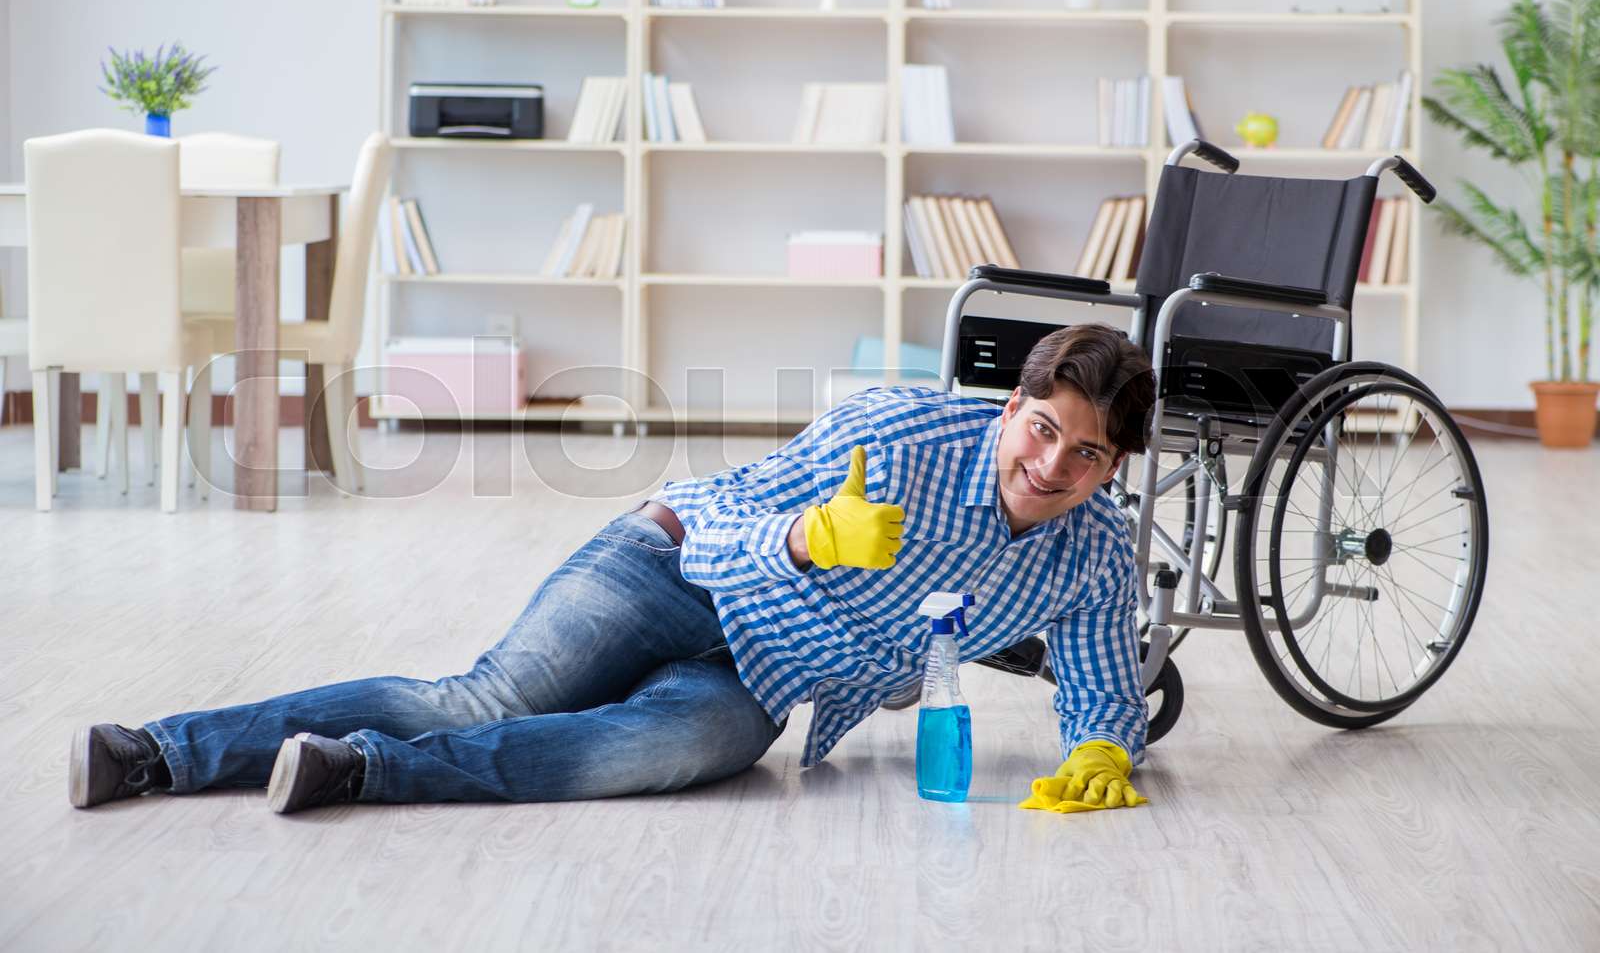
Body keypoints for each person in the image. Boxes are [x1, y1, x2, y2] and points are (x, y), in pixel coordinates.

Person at [70, 322, 1156, 816]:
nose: (1052, 464)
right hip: (674, 565)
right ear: (1011, 406)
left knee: (678, 747)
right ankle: (155, 752)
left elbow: (1105, 675)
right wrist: (804, 539)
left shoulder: (1097, 553)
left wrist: (1105, 743)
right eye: (1042, 428)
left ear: (1115, 467)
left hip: (760, 674)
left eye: (1089, 452)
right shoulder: (899, 433)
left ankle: (362, 771)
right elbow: (729, 513)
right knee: (482, 695)